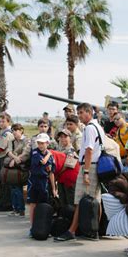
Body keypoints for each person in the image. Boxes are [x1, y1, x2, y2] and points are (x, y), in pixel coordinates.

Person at [54, 103, 105, 242]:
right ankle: (94, 231)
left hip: (89, 166)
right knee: (95, 200)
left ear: (89, 112)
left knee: (79, 201)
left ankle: (71, 231)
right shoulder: (98, 127)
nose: (79, 115)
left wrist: (86, 172)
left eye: (81, 112)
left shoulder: (89, 128)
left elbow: (89, 150)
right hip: (95, 166)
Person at [27, 133, 56, 237]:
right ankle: (32, 227)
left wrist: (53, 188)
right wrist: (50, 153)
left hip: (45, 182)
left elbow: (51, 172)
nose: (40, 145)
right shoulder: (35, 152)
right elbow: (43, 162)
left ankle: (43, 227)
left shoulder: (51, 156)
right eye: (39, 143)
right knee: (33, 204)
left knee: (44, 205)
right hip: (34, 181)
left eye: (43, 143)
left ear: (47, 143)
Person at [7, 123, 29, 217]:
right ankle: (15, 208)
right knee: (13, 188)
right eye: (13, 130)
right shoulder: (12, 141)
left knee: (18, 188)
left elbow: (26, 153)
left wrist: (16, 159)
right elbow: (8, 152)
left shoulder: (26, 140)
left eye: (16, 130)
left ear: (21, 130)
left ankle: (21, 209)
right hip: (13, 166)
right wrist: (14, 159)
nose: (14, 132)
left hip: (22, 166)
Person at [56, 129, 78, 207]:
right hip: (61, 179)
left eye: (65, 137)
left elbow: (69, 164)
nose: (63, 139)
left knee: (70, 202)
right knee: (62, 201)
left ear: (70, 138)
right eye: (61, 137)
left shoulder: (71, 150)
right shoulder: (60, 149)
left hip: (69, 181)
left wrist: (57, 174)